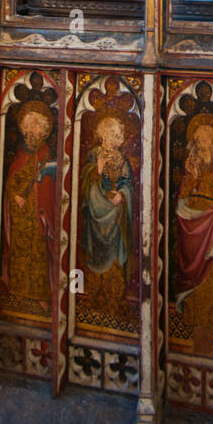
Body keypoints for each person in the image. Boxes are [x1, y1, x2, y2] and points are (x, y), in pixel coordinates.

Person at [174, 113, 213, 342]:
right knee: (191, 266)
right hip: (189, 219)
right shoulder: (192, 165)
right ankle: (192, 314)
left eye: (206, 141)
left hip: (210, 220)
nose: (202, 145)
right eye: (198, 141)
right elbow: (184, 191)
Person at [1, 100, 56, 319]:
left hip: (37, 213)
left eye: (36, 126)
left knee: (39, 253)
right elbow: (11, 178)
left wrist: (38, 188)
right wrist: (14, 193)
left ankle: (42, 296)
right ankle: (20, 292)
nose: (32, 130)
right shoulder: (21, 154)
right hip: (19, 213)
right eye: (29, 126)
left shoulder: (45, 153)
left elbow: (49, 180)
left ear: (44, 129)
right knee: (20, 252)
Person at [80, 114, 134, 313]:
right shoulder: (94, 155)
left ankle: (114, 302)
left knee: (115, 261)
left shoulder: (122, 159)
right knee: (95, 259)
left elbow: (128, 185)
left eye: (117, 136)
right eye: (110, 135)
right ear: (102, 136)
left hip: (115, 218)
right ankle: (94, 302)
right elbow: (85, 179)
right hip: (95, 217)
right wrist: (97, 169)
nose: (113, 139)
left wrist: (122, 195)